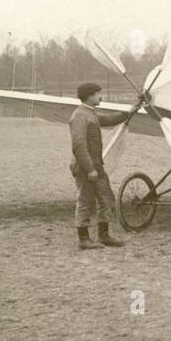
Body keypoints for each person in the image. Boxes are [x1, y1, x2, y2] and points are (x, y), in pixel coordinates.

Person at [70, 82, 131, 249]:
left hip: (97, 166)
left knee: (106, 198)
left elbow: (108, 119)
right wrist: (90, 169)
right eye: (98, 94)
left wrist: (130, 112)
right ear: (89, 96)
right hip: (86, 167)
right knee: (85, 200)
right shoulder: (80, 116)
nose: (101, 97)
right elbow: (79, 146)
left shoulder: (90, 113)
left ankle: (104, 236)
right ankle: (84, 239)